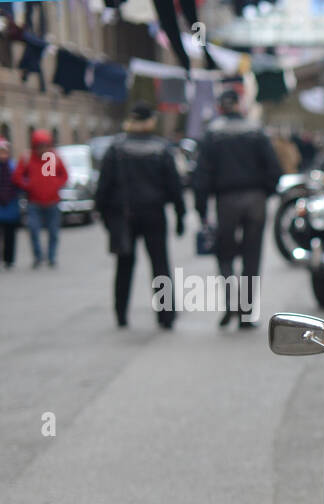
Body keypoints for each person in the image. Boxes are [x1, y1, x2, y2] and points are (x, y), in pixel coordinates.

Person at [192, 89, 281, 328]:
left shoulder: (212, 133)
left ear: (220, 107)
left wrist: (201, 208)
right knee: (252, 257)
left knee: (225, 254)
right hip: (255, 199)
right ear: (239, 106)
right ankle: (246, 312)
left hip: (226, 201)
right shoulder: (255, 130)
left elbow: (202, 174)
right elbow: (274, 168)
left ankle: (231, 304)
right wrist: (265, 192)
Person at [94, 103, 186, 329]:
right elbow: (174, 186)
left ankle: (121, 313)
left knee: (124, 265)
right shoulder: (161, 148)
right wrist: (180, 214)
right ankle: (166, 316)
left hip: (124, 214)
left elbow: (103, 187)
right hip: (154, 213)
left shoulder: (116, 149)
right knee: (160, 266)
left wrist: (106, 217)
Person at [14, 129, 67, 267]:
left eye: (45, 145)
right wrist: (28, 185)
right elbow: (18, 176)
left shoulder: (54, 157)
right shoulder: (27, 158)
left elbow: (65, 175)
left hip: (52, 201)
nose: (42, 149)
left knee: (53, 232)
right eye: (39, 146)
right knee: (33, 230)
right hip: (34, 202)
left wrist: (56, 184)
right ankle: (38, 256)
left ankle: (51, 257)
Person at [0, 139, 20, 269]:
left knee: (10, 234)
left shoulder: (14, 166)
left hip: (11, 205)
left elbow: (19, 183)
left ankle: (9, 259)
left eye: (4, 152)